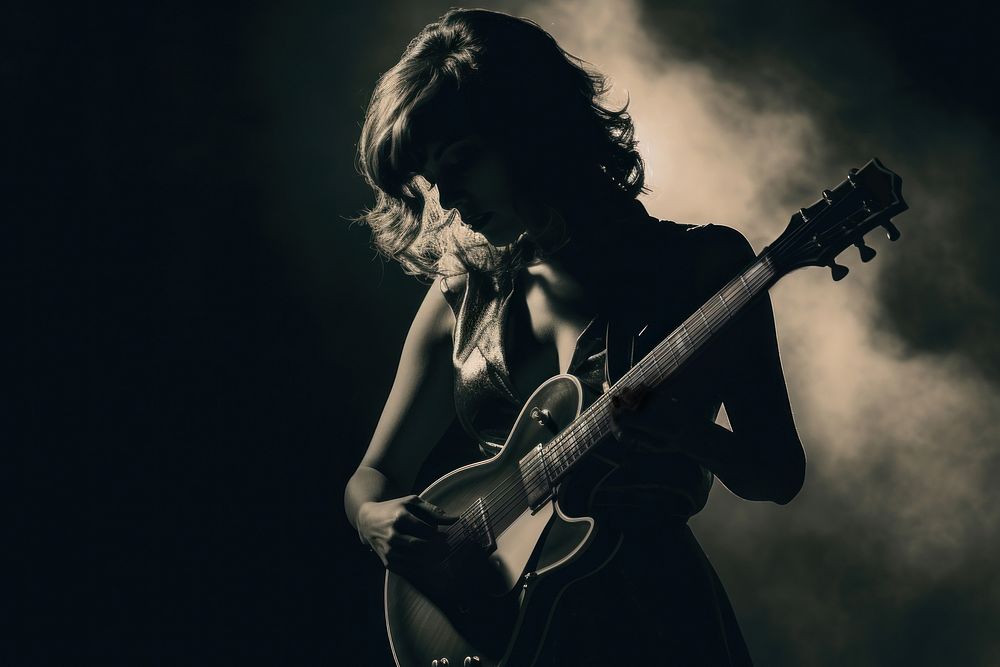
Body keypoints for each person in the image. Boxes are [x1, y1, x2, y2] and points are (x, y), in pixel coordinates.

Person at [343, 8, 805, 665]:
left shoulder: (700, 266)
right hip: (513, 632)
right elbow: (375, 473)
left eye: (462, 159)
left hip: (658, 626)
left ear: (532, 129)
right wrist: (373, 519)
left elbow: (779, 473)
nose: (448, 198)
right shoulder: (461, 288)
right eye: (431, 176)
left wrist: (686, 433)